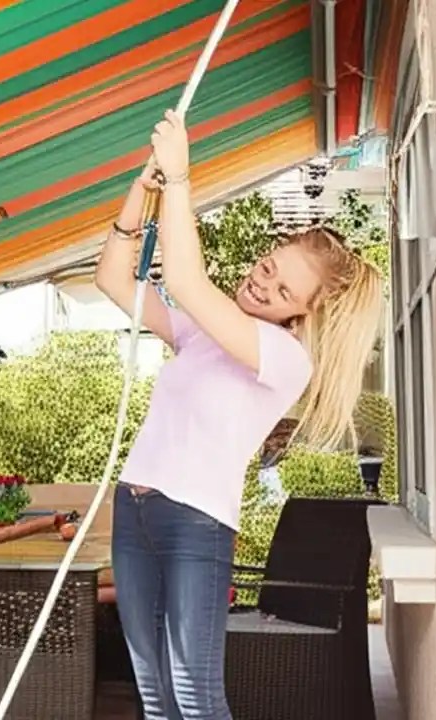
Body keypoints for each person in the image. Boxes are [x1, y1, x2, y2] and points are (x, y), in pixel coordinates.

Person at [94, 110, 384, 719]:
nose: (263, 285)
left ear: (301, 315)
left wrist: (180, 181)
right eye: (270, 267)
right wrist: (141, 192)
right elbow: (113, 279)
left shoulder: (282, 358)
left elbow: (184, 275)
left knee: (196, 698)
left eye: (283, 293)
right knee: (155, 694)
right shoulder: (206, 329)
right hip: (135, 510)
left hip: (194, 525)